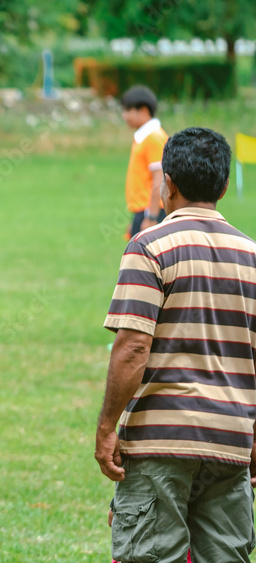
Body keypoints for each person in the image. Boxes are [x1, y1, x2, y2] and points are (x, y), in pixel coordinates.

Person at [95, 127, 256, 562]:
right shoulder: (252, 256)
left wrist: (107, 426)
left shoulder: (149, 248)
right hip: (230, 442)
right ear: (223, 186)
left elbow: (131, 349)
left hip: (159, 442)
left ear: (168, 183)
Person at [121, 85, 169, 238]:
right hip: (143, 211)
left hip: (153, 212)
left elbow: (159, 178)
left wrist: (151, 217)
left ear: (143, 110)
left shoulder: (154, 138)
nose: (124, 116)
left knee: (144, 261)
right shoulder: (144, 137)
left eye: (128, 111)